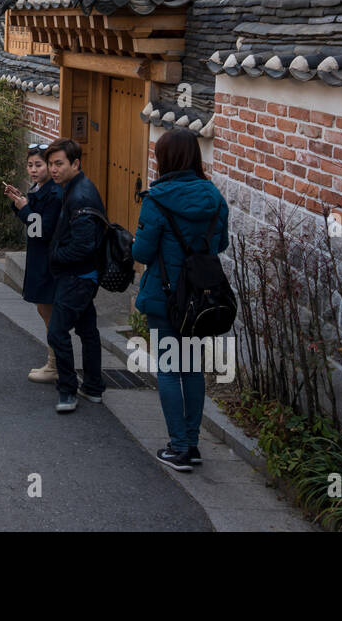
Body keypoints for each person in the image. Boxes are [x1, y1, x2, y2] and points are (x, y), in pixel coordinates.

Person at [132, 128, 230, 472]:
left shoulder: (156, 200)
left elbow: (141, 252)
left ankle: (179, 448)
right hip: (201, 300)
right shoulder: (214, 197)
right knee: (192, 369)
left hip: (165, 298)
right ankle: (192, 444)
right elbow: (220, 245)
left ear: (165, 158)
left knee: (169, 371)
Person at [44, 138, 107, 414]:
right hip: (83, 275)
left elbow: (84, 244)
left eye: (59, 164)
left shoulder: (80, 194)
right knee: (87, 331)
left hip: (78, 277)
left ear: (75, 164)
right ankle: (93, 387)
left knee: (57, 332)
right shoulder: (75, 187)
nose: (53, 169)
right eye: (51, 164)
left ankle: (68, 391)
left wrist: (56, 257)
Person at [2, 143, 62, 382]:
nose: (33, 170)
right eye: (30, 165)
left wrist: (25, 209)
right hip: (40, 257)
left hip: (48, 259)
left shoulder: (55, 193)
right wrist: (20, 201)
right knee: (43, 309)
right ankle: (53, 363)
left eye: (38, 165)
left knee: (50, 311)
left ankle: (54, 365)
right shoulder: (40, 188)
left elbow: (42, 229)